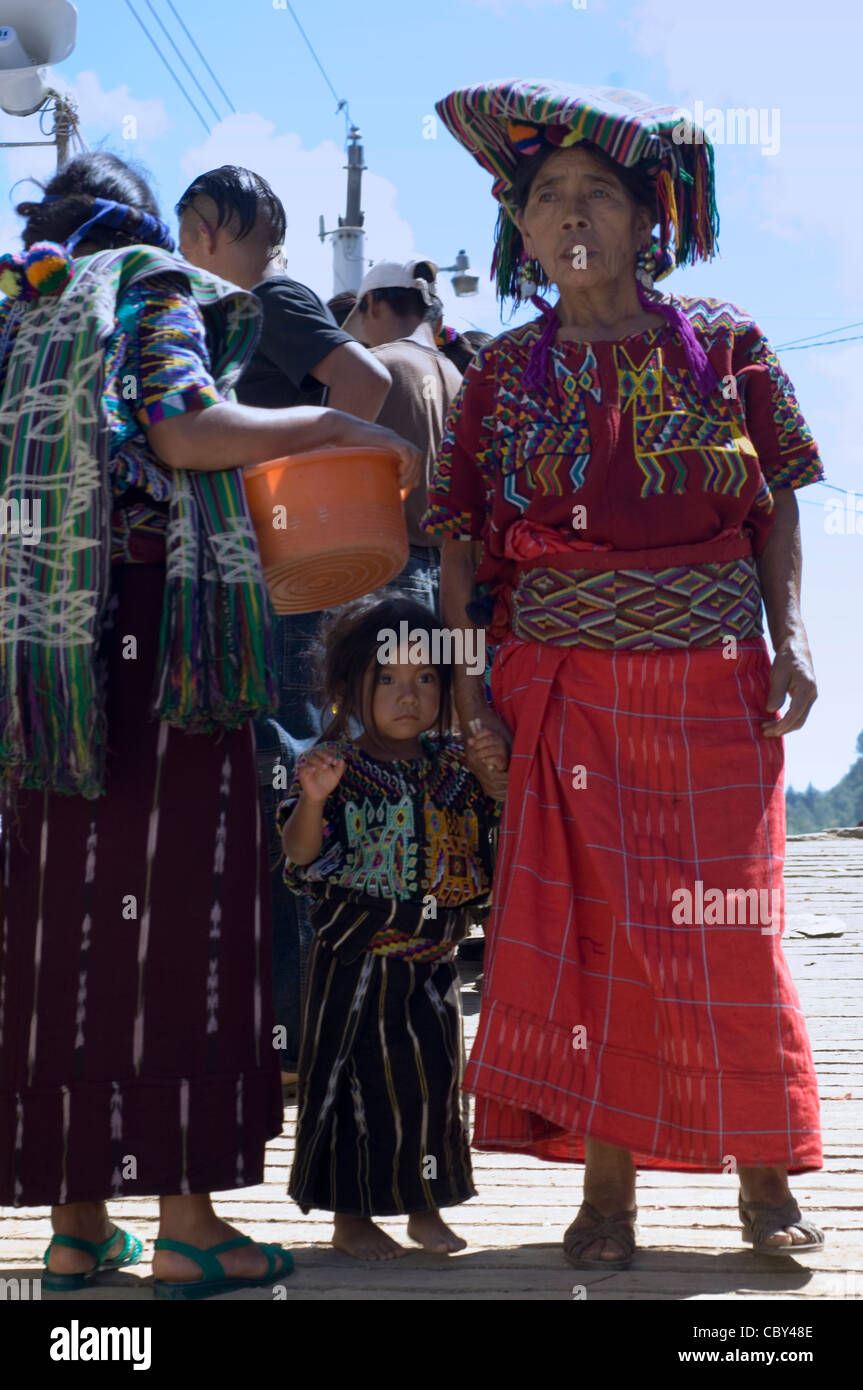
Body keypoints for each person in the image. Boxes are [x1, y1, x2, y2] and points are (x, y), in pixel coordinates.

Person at [0, 151, 420, 1299]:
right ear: (149, 221)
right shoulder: (148, 280)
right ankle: (188, 1221)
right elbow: (184, 428)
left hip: (45, 666)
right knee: (181, 912)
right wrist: (324, 436)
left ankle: (76, 1226)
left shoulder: (23, 309)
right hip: (157, 642)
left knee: (62, 934)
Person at [424, 79, 826, 1269]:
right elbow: (455, 538)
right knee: (589, 938)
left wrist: (791, 635)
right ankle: (604, 1195)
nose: (571, 211)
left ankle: (764, 1179)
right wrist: (460, 683)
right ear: (523, 231)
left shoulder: (728, 344)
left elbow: (776, 506)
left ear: (648, 216)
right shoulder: (497, 376)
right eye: (547, 196)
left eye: (597, 189)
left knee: (725, 934)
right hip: (560, 687)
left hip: (711, 681)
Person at [176, 166, 393, 1100]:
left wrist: (288, 458)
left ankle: (299, 1030)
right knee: (260, 782)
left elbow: (364, 382)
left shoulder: (268, 296)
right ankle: (277, 1022)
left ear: (209, 230)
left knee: (288, 771)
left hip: (279, 576)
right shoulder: (201, 316)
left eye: (201, 229)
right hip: (242, 576)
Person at [277, 595, 507, 1259]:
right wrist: (313, 800)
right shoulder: (335, 770)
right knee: (352, 1084)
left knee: (431, 1085)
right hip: (356, 957)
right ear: (351, 690)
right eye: (387, 680)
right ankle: (350, 1218)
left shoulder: (455, 773)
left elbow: (498, 829)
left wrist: (497, 773)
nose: (408, 696)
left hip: (435, 958)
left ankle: (424, 1205)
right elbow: (297, 855)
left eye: (425, 679)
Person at [343, 261, 464, 617]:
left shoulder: (376, 367)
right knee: (455, 672)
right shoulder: (462, 378)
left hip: (390, 573)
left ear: (374, 305)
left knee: (380, 673)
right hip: (456, 577)